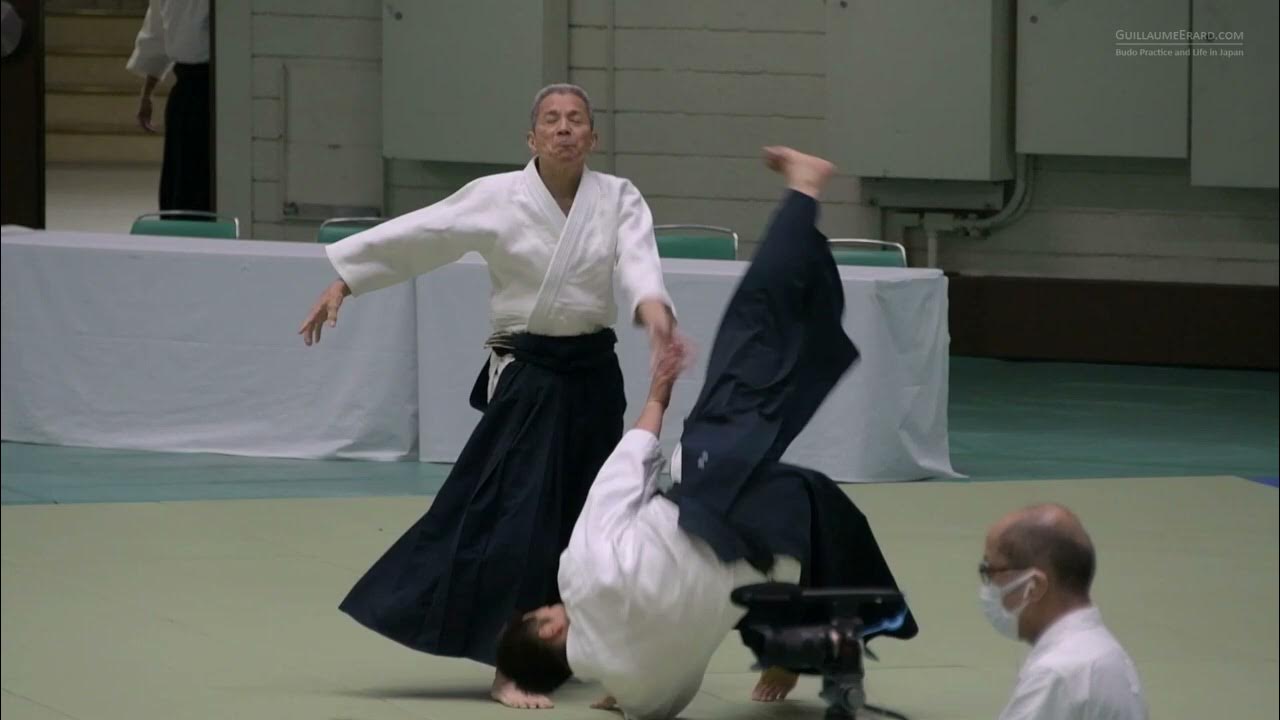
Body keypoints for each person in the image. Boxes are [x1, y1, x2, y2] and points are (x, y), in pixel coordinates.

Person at [495, 147, 918, 718]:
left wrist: (618, 687)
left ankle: (789, 650)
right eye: (540, 614)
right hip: (716, 486)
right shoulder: (583, 577)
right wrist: (660, 389)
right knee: (755, 328)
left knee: (781, 372)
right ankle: (804, 191)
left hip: (783, 545)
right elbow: (628, 462)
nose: (546, 607)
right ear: (546, 627)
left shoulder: (644, 689)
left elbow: (673, 693)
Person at [298, 84, 677, 708]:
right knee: (516, 521)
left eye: (576, 120)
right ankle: (509, 663)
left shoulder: (618, 197)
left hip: (593, 373)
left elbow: (640, 263)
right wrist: (347, 279)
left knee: (595, 523)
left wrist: (655, 310)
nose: (564, 129)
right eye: (551, 121)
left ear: (593, 137)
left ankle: (587, 652)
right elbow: (425, 232)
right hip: (530, 374)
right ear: (531, 138)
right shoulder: (497, 196)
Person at [981, 504, 1147, 719]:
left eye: (990, 571)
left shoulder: (1057, 673)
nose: (988, 586)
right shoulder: (1102, 652)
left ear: (1034, 586)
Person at [127, 0, 212, 212]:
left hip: (227, 87)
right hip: (188, 89)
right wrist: (146, 94)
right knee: (182, 181)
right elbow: (156, 37)